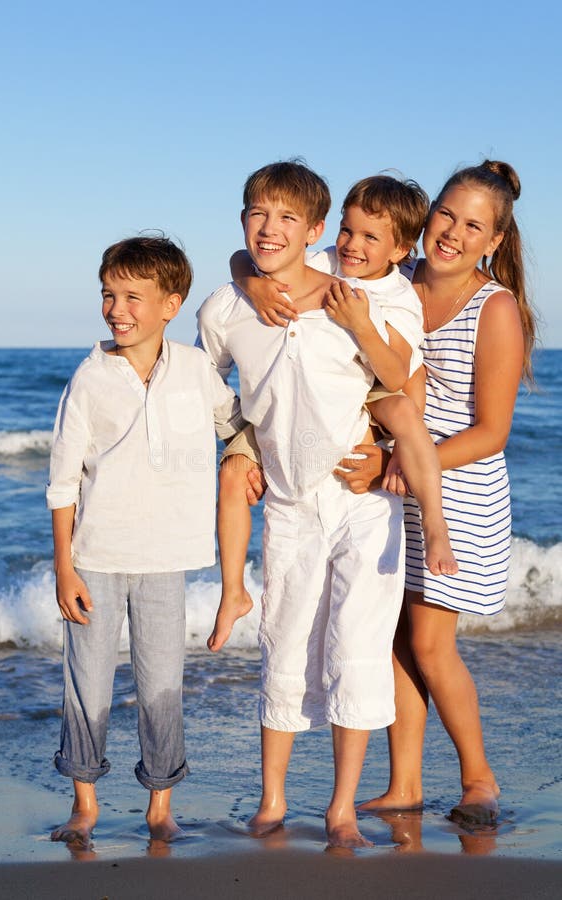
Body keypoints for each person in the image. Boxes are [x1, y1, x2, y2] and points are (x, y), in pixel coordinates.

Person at [197, 160, 406, 848]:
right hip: (287, 502)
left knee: (358, 648)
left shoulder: (356, 294)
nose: (270, 228)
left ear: (314, 232)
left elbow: (397, 376)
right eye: (258, 213)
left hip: (361, 499)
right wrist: (238, 444)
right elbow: (211, 391)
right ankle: (273, 799)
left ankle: (342, 807)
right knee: (283, 647)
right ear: (241, 221)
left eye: (288, 218)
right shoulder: (225, 308)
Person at [343, 160, 536, 826]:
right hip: (395, 489)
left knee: (430, 643)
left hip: (460, 492)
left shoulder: (496, 308)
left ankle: (479, 779)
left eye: (472, 225)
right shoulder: (393, 281)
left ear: (494, 241)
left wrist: (400, 462)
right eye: (447, 214)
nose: (451, 232)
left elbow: (491, 432)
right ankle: (404, 785)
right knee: (396, 638)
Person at [46, 235, 245, 847]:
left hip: (166, 559)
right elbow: (62, 481)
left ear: (171, 303)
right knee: (88, 686)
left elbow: (235, 422)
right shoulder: (89, 376)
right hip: (96, 557)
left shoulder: (193, 369)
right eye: (109, 295)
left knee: (162, 685)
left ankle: (161, 805)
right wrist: (64, 567)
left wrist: (244, 458)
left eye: (134, 296)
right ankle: (85, 803)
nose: (117, 309)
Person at [209, 175, 458, 653]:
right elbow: (247, 257)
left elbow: (395, 372)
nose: (351, 245)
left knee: (406, 415)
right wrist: (254, 285)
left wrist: (361, 324)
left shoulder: (400, 295)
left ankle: (434, 522)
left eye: (369, 237)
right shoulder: (326, 261)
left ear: (400, 249)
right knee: (232, 472)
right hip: (317, 392)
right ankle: (233, 588)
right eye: (347, 231)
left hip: (374, 383)